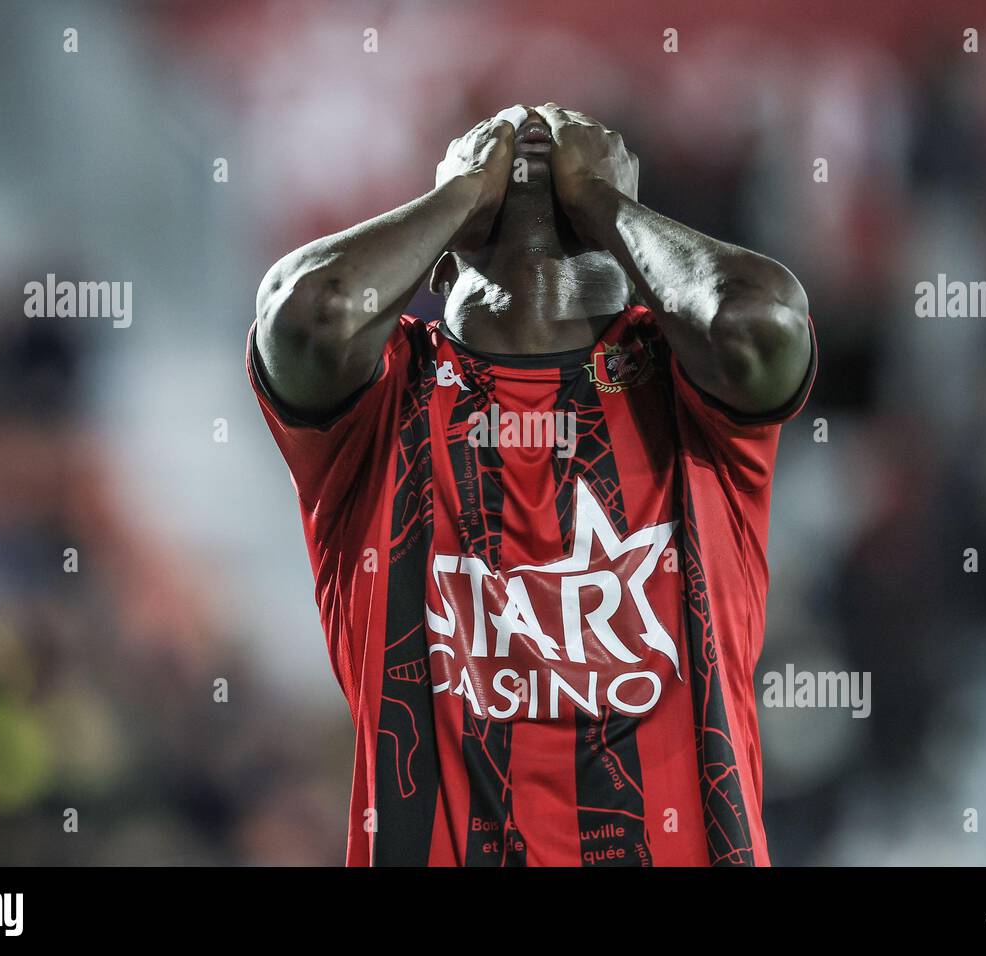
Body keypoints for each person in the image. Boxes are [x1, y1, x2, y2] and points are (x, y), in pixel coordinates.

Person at [249, 103, 815, 866]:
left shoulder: (686, 390)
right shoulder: (383, 402)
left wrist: (607, 206)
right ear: (439, 260)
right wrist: (459, 199)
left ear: (638, 263)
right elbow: (307, 314)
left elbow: (760, 319)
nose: (533, 128)